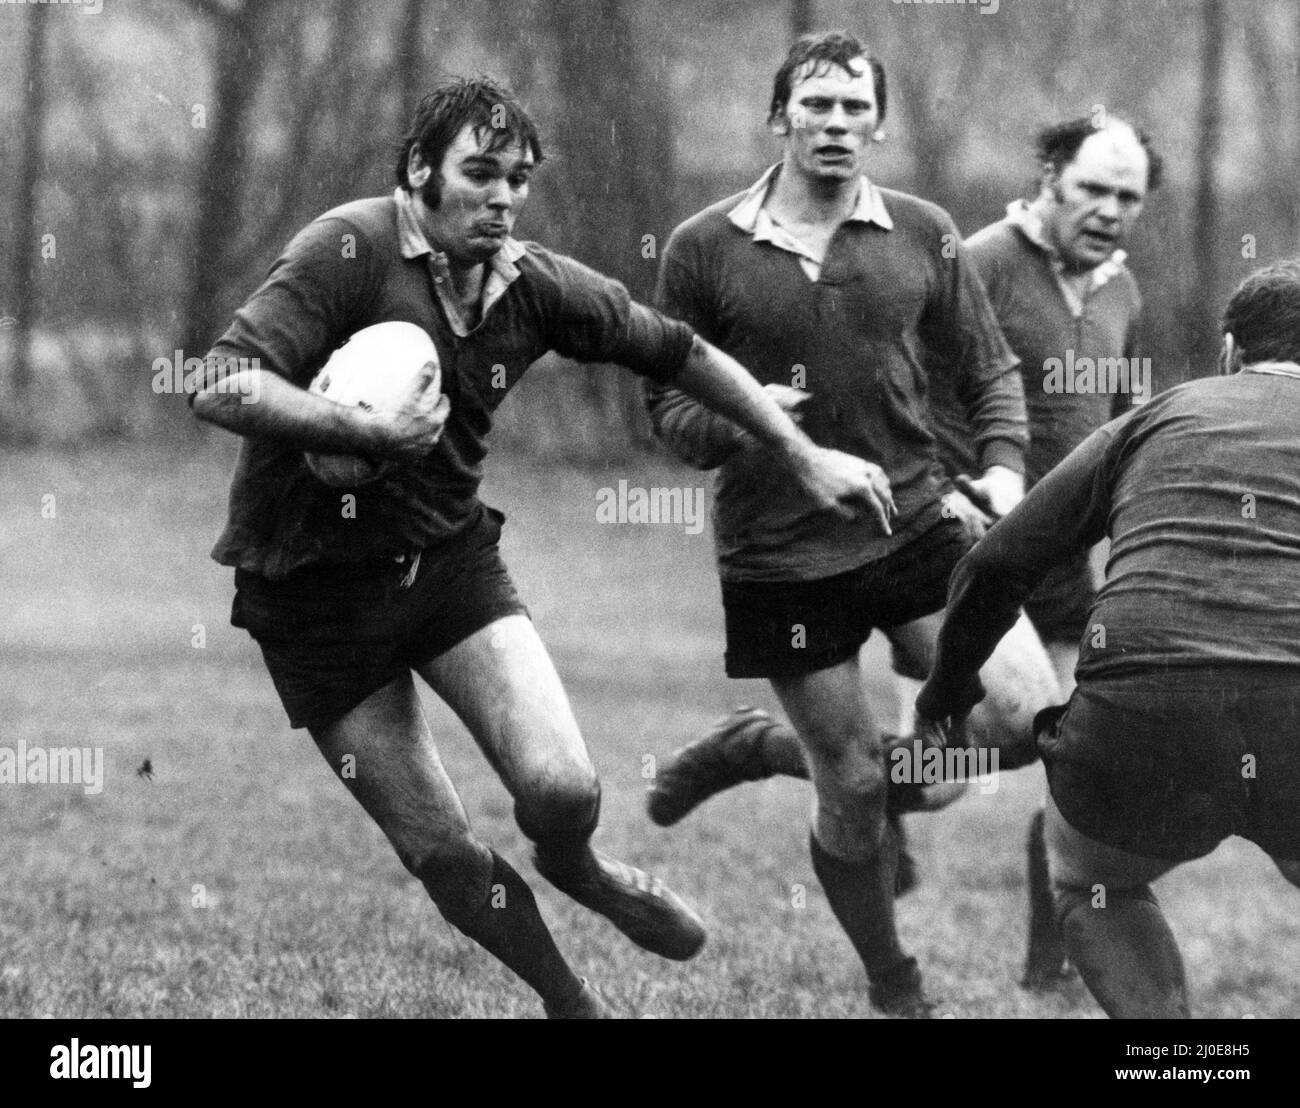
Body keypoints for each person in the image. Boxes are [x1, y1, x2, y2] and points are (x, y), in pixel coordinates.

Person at [190, 76, 889, 1019]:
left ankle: (582, 867)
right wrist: (357, 430)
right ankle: (572, 1003)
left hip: (446, 564)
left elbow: (679, 352)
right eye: (480, 173)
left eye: (518, 179)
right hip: (308, 593)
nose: (503, 198)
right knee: (440, 852)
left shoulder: (535, 284)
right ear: (418, 172)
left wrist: (797, 454)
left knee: (562, 789)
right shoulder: (348, 248)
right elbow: (218, 381)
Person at [643, 32, 1059, 1017]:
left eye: (852, 108)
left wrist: (1000, 470)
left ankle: (759, 748)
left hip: (918, 523)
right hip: (783, 557)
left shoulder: (922, 230)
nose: (834, 125)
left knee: (1019, 725)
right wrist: (752, 427)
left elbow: (989, 368)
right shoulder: (705, 246)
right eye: (815, 106)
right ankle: (892, 982)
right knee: (856, 783)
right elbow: (663, 412)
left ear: (877, 121)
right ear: (779, 116)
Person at [914, 260, 1300, 1018]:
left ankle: (1177, 1066)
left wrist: (945, 696)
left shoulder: (1154, 418)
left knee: (1097, 883)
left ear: (1228, 352)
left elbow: (994, 564)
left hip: (1139, 711)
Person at [924, 113, 1161, 987]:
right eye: (1093, 188)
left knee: (1072, 765)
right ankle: (797, 763)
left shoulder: (1123, 294)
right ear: (1049, 177)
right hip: (971, 554)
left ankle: (1045, 970)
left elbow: (1118, 425)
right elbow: (906, 392)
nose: (1108, 209)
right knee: (983, 758)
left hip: (1067, 574)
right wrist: (948, 491)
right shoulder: (979, 263)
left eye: (1127, 196)